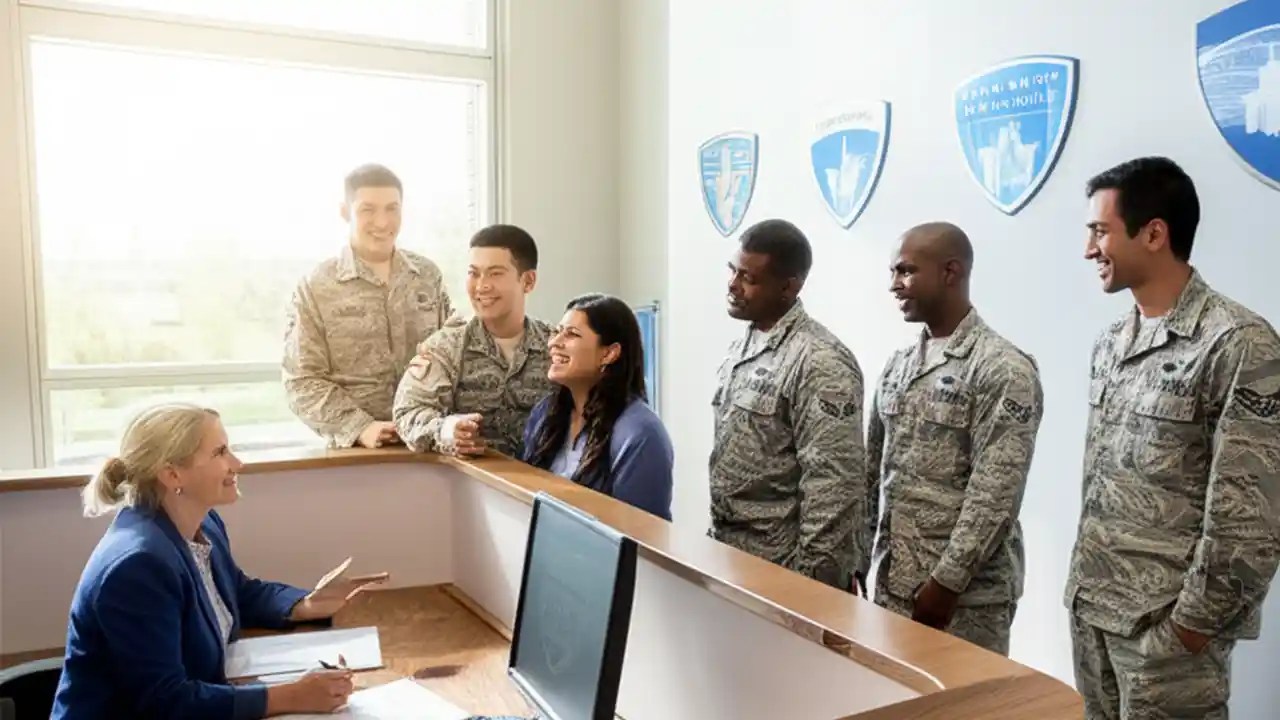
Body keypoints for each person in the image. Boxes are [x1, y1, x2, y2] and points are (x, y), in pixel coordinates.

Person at [1066, 156, 1280, 718]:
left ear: (1154, 233)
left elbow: (1250, 514)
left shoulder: (1238, 343)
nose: (1089, 250)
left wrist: (1190, 628)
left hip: (1165, 638)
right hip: (1094, 618)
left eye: (1100, 231)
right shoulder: (1111, 342)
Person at [51, 403, 390, 719]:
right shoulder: (138, 565)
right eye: (220, 453)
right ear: (172, 475)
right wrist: (290, 697)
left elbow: (234, 592)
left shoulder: (203, 522)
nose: (237, 464)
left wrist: (304, 605)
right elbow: (164, 700)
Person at [865, 222, 1043, 656]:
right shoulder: (900, 366)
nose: (894, 285)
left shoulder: (1002, 369)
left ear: (951, 272)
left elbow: (995, 493)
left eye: (905, 271)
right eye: (892, 272)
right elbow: (870, 470)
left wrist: (946, 583)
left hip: (964, 602)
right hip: (893, 584)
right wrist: (857, 558)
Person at [709, 218, 867, 591]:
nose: (733, 284)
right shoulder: (745, 346)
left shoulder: (819, 360)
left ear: (788, 287)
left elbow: (835, 486)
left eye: (748, 278)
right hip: (736, 556)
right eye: (732, 270)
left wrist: (812, 588)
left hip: (786, 570)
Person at [283, 163, 455, 450]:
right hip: (358, 454)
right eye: (368, 210)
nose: (382, 221)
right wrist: (360, 427)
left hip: (429, 446)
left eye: (392, 209)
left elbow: (451, 354)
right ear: (344, 212)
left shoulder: (427, 277)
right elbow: (300, 380)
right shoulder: (315, 286)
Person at [394, 224, 552, 458]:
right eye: (474, 273)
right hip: (472, 486)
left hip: (543, 485)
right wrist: (448, 430)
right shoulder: (447, 347)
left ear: (528, 281)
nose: (482, 285)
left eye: (495, 273)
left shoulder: (556, 345)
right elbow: (408, 411)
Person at [522, 293, 674, 520]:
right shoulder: (545, 414)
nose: (554, 342)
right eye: (557, 331)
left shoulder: (641, 434)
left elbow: (641, 538)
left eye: (571, 334)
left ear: (609, 353)